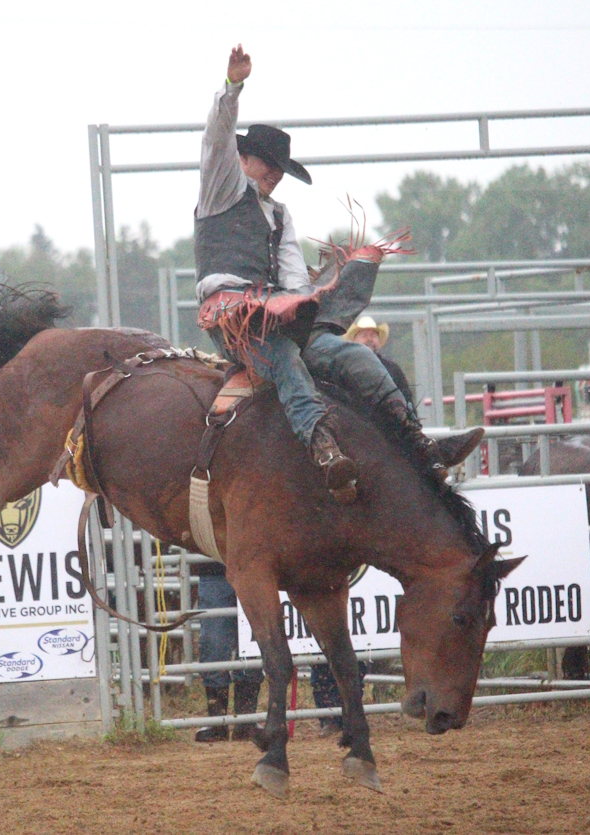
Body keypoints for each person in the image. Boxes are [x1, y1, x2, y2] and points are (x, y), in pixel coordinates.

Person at [194, 44, 358, 503]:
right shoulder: (222, 189)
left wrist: (311, 299)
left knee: (352, 357)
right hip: (232, 318)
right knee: (284, 359)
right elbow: (216, 138)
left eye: (280, 168)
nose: (276, 175)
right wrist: (233, 87)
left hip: (276, 315)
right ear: (243, 160)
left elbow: (294, 280)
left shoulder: (281, 215)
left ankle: (413, 435)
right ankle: (321, 444)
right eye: (269, 164)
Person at [192, 562, 263, 743]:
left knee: (251, 644)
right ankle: (221, 721)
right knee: (213, 643)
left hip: (248, 570)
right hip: (222, 569)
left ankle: (244, 720)